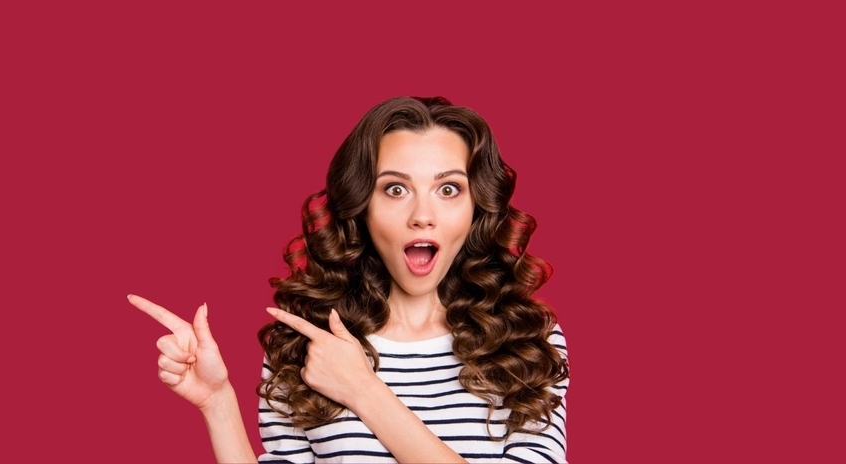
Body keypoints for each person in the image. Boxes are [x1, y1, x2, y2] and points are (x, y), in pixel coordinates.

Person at [131, 96, 568, 463]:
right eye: (395, 189)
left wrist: (362, 389)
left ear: (477, 208)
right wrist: (218, 402)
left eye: (448, 189)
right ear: (362, 206)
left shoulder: (527, 340)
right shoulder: (308, 340)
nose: (422, 216)